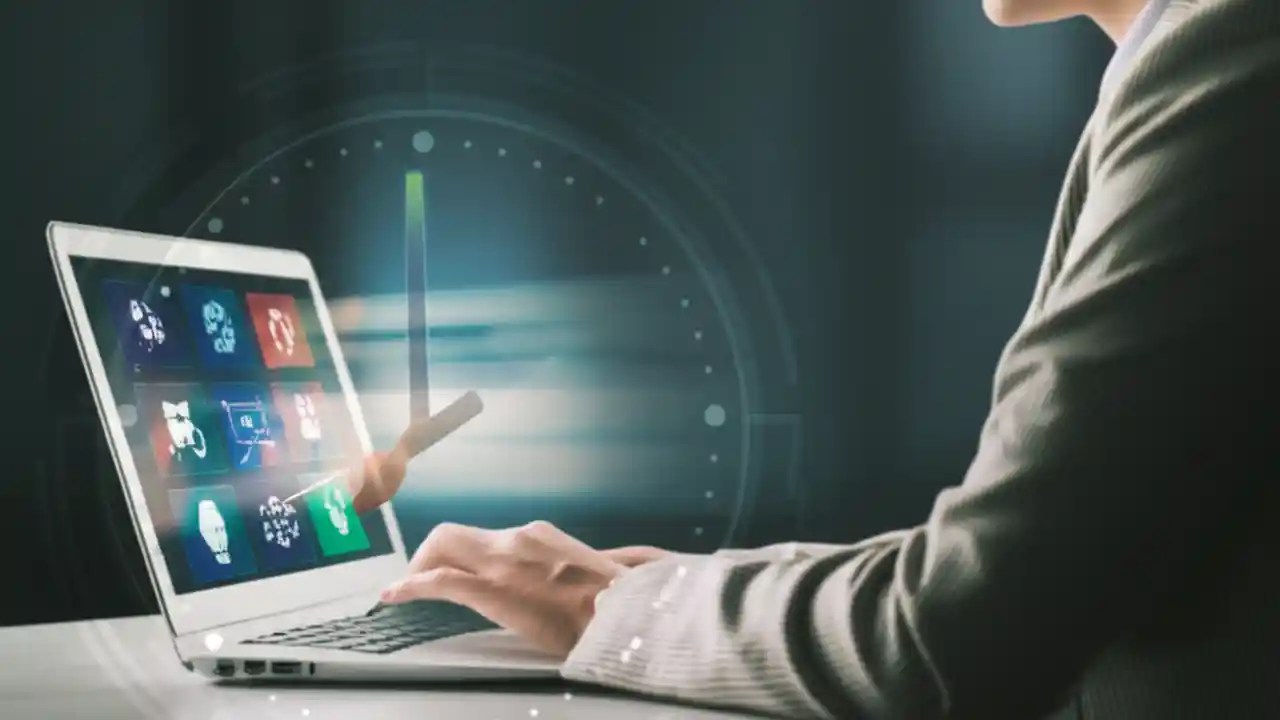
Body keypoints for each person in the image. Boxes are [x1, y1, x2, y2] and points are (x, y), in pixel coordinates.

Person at [349, 0, 1280, 717]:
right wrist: (676, 592)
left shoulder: (1228, 49)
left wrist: (612, 614)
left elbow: (968, 633)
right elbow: (1052, 563)